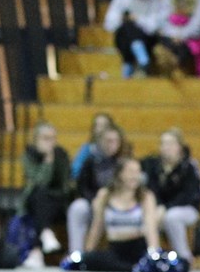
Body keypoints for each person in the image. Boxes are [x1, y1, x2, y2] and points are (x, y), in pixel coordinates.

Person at [78, 157, 162, 272]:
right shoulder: (105, 195)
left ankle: (138, 268)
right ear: (120, 174)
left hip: (137, 248)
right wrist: (87, 253)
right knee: (89, 261)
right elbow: (97, 227)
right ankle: (132, 269)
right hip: (116, 249)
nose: (135, 176)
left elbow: (151, 229)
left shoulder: (146, 196)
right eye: (131, 172)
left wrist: (154, 256)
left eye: (138, 172)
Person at [140, 128, 200, 259]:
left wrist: (165, 208)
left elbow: (189, 195)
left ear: (179, 147)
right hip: (159, 208)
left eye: (170, 143)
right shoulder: (153, 165)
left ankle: (184, 257)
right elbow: (151, 189)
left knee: (171, 217)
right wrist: (158, 206)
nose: (166, 147)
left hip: (186, 208)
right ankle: (151, 255)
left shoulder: (189, 167)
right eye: (163, 143)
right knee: (146, 216)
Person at [66, 124, 127, 255]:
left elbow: (131, 188)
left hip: (120, 205)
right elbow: (83, 187)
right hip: (94, 202)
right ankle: (75, 253)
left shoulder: (125, 164)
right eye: (108, 141)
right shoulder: (91, 161)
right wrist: (93, 200)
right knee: (78, 207)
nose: (111, 145)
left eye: (115, 141)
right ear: (101, 142)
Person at [12, 123, 70, 262]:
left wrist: (53, 159)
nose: (50, 142)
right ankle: (45, 233)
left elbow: (65, 183)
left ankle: (37, 249)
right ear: (36, 139)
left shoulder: (61, 155)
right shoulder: (28, 156)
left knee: (44, 202)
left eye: (52, 138)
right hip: (35, 199)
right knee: (40, 195)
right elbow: (39, 181)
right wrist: (47, 162)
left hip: (58, 199)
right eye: (45, 138)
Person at [103, 0, 170, 78]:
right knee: (127, 28)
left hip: (147, 37)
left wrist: (138, 19)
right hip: (124, 35)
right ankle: (141, 58)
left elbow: (155, 25)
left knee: (133, 30)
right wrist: (124, 19)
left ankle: (129, 64)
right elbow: (109, 23)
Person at [69, 112, 113, 179]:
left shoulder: (117, 148)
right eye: (97, 125)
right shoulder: (87, 148)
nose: (100, 129)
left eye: (104, 125)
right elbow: (75, 171)